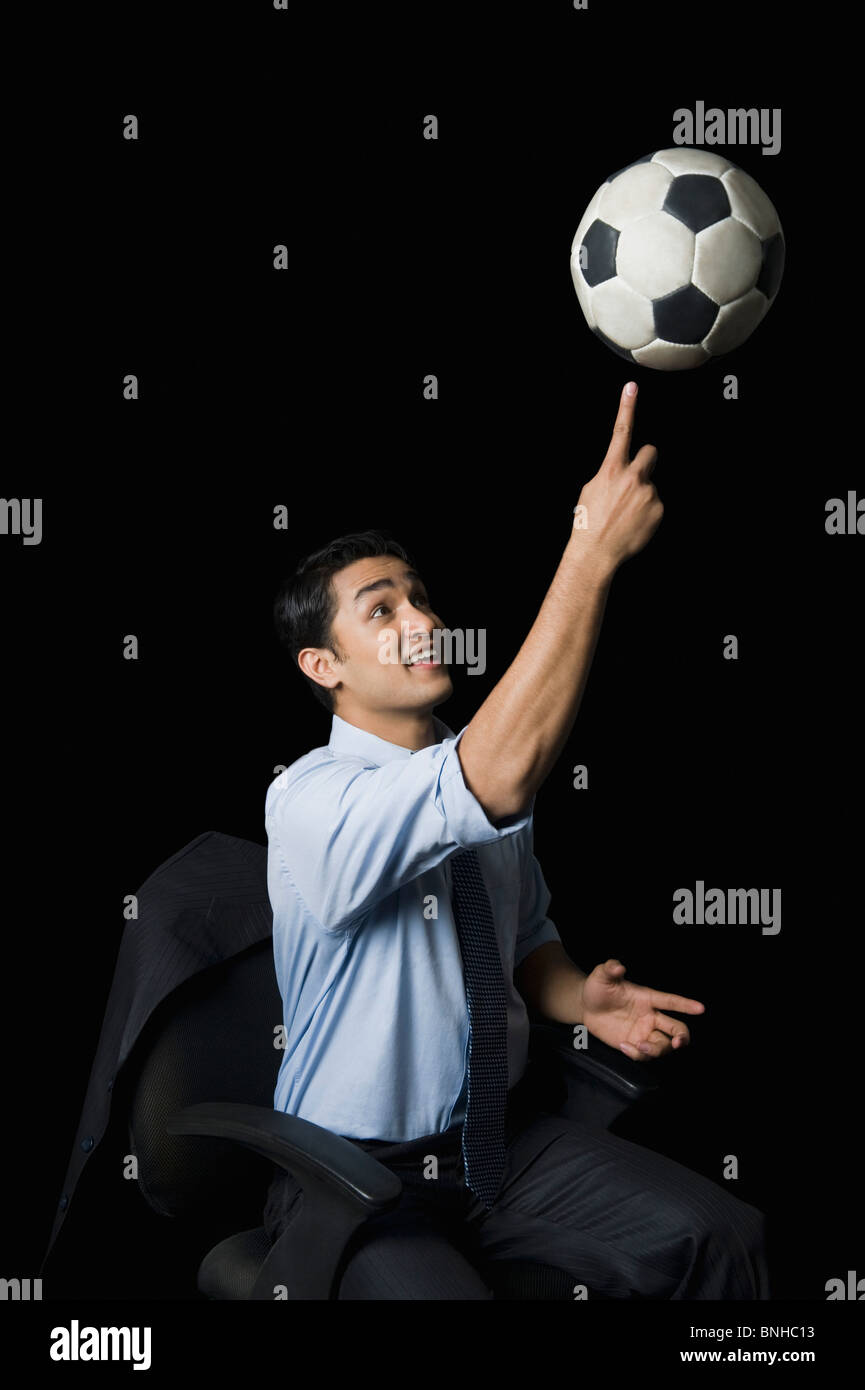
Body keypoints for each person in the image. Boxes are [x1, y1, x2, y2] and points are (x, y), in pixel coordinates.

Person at [262, 381, 771, 1299]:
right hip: (356, 1174)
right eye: (381, 611)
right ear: (321, 666)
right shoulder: (309, 798)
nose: (421, 620)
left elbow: (521, 942)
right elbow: (494, 776)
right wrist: (590, 552)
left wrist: (581, 1000)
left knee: (722, 1239)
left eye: (419, 598)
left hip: (498, 1147)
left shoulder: (475, 782)